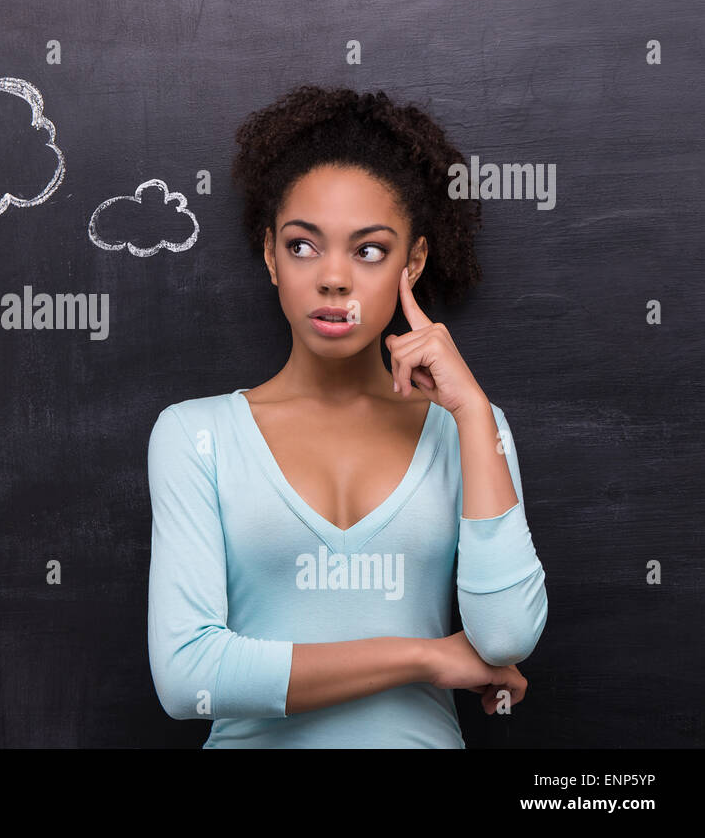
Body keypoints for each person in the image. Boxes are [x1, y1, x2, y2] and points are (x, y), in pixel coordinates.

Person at [146, 85, 547, 747]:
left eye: (368, 250)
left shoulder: (471, 427)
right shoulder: (195, 435)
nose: (334, 278)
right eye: (305, 245)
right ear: (271, 253)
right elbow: (188, 675)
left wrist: (473, 412)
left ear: (412, 262)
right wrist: (426, 656)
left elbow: (505, 635)